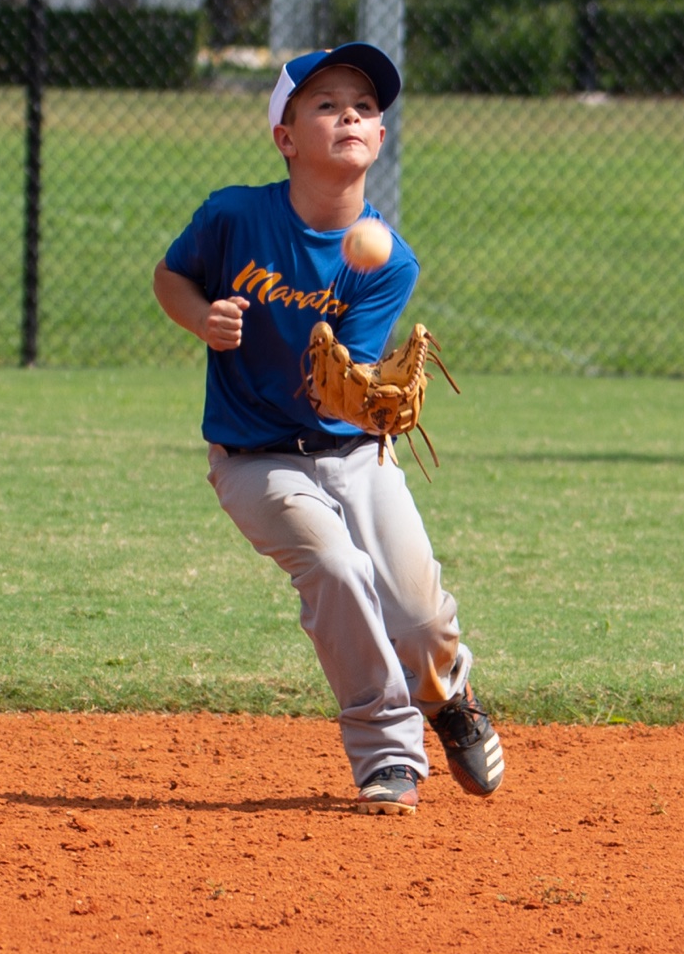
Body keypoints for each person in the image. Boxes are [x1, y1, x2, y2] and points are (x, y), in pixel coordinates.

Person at [152, 42, 504, 814]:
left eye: (367, 107)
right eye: (326, 104)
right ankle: (389, 753)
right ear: (285, 136)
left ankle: (450, 694)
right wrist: (200, 318)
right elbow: (170, 276)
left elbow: (342, 392)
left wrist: (362, 393)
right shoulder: (234, 217)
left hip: (354, 454)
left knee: (417, 618)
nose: (350, 114)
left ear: (379, 139)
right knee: (337, 571)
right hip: (256, 459)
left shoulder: (387, 262)